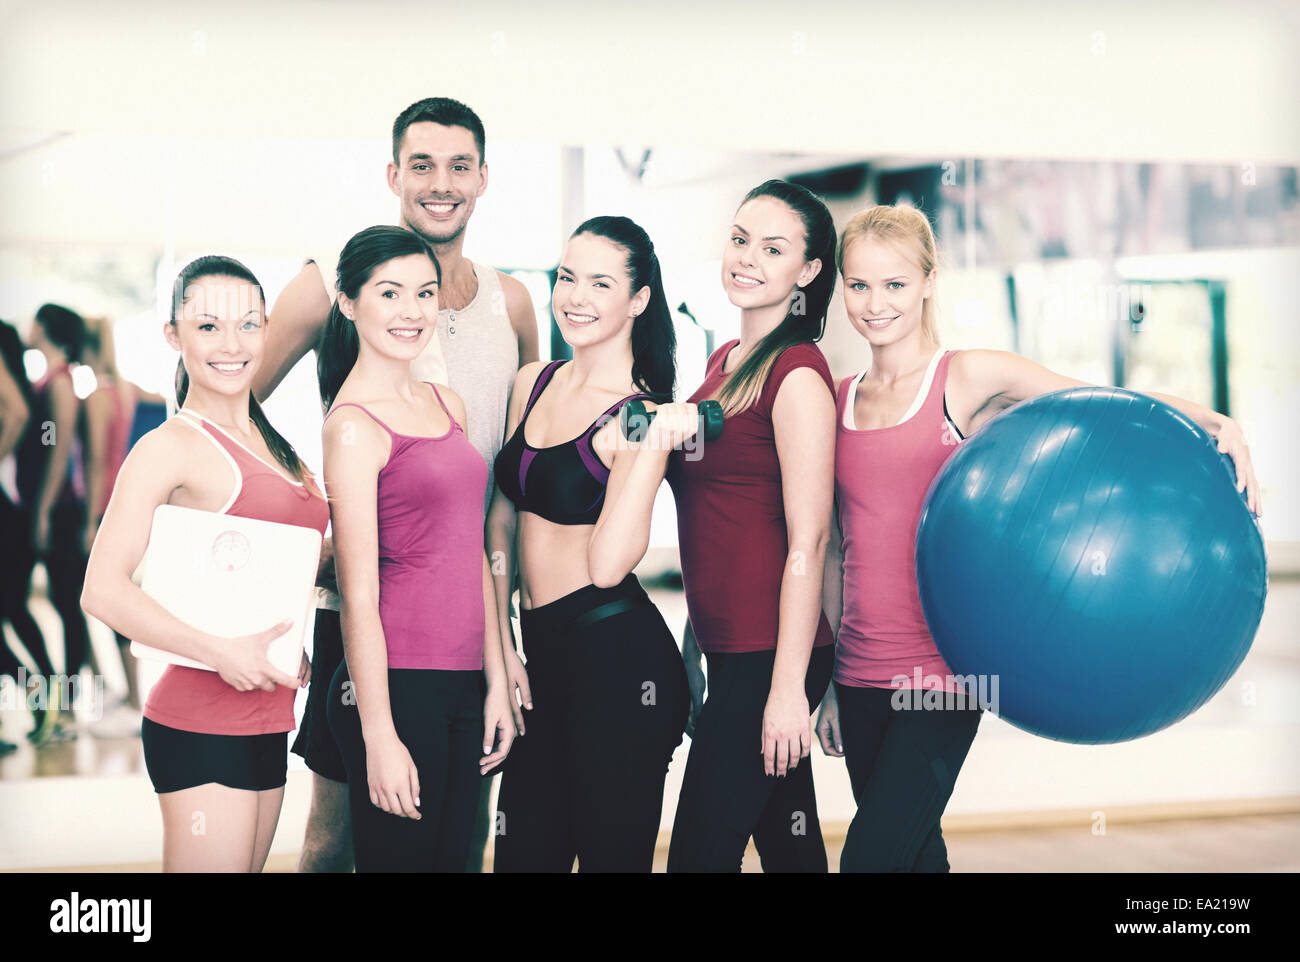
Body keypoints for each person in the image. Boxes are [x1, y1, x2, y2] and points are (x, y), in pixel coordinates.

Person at [814, 204, 1260, 872]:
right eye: (859, 285)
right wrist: (825, 682)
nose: (875, 303)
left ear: (930, 282)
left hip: (946, 677)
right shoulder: (839, 397)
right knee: (912, 855)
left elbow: (1097, 400)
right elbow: (831, 548)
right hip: (859, 675)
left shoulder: (965, 377)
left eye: (895, 284)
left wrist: (1214, 422)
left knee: (869, 860)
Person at [256, 97, 538, 873]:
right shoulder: (332, 280)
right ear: (394, 175)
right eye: (421, 165)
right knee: (338, 835)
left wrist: (505, 623)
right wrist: (314, 511)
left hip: (469, 609)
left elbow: (516, 462)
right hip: (370, 613)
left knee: (459, 835)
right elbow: (226, 400)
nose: (439, 183)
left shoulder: (511, 303)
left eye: (458, 166)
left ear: (483, 178)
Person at [81, 256, 324, 872]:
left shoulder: (276, 443)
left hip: (269, 718)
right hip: (200, 720)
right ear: (174, 335)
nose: (231, 344)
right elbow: (102, 590)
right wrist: (222, 652)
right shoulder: (169, 447)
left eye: (248, 324)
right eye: (208, 326)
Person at [642, 180, 840, 873]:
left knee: (697, 853)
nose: (747, 258)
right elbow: (716, 524)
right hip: (732, 651)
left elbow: (809, 542)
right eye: (740, 238)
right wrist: (698, 645)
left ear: (808, 273)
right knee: (789, 845)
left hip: (771, 656)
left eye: (774, 248)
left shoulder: (796, 376)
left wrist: (788, 689)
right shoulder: (722, 363)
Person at [489, 216, 689, 872]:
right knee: (522, 855)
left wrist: (652, 442)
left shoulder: (641, 413)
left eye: (600, 283)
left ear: (638, 300)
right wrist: (501, 646)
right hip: (538, 658)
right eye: (567, 277)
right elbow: (500, 524)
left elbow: (608, 565)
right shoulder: (534, 383)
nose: (575, 296)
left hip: (618, 666)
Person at [318, 225, 514, 872]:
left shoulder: (446, 403)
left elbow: (475, 555)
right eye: (390, 293)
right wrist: (378, 733)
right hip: (399, 685)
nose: (411, 311)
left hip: (464, 680)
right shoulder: (351, 427)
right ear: (348, 301)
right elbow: (358, 594)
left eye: (425, 294)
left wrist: (496, 683)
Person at [80, 316, 167, 736]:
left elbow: (96, 460)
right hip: (127, 504)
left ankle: (131, 700)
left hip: (104, 507)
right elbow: (162, 399)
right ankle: (125, 697)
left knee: (106, 602)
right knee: (113, 601)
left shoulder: (99, 395)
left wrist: (88, 520)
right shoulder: (128, 390)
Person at [17, 304, 93, 740]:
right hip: (54, 507)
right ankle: (58, 704)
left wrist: (42, 510)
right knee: (63, 606)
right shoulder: (49, 379)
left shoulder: (61, 383)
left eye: (33, 320)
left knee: (67, 606)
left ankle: (64, 709)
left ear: (45, 327)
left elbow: (61, 451)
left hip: (61, 509)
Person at [0, 319, 58, 751]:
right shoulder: (27, 378)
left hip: (9, 515)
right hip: (15, 514)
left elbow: (16, 412)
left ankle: (45, 696)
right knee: (15, 612)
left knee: (12, 613)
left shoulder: (29, 391)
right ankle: (46, 695)